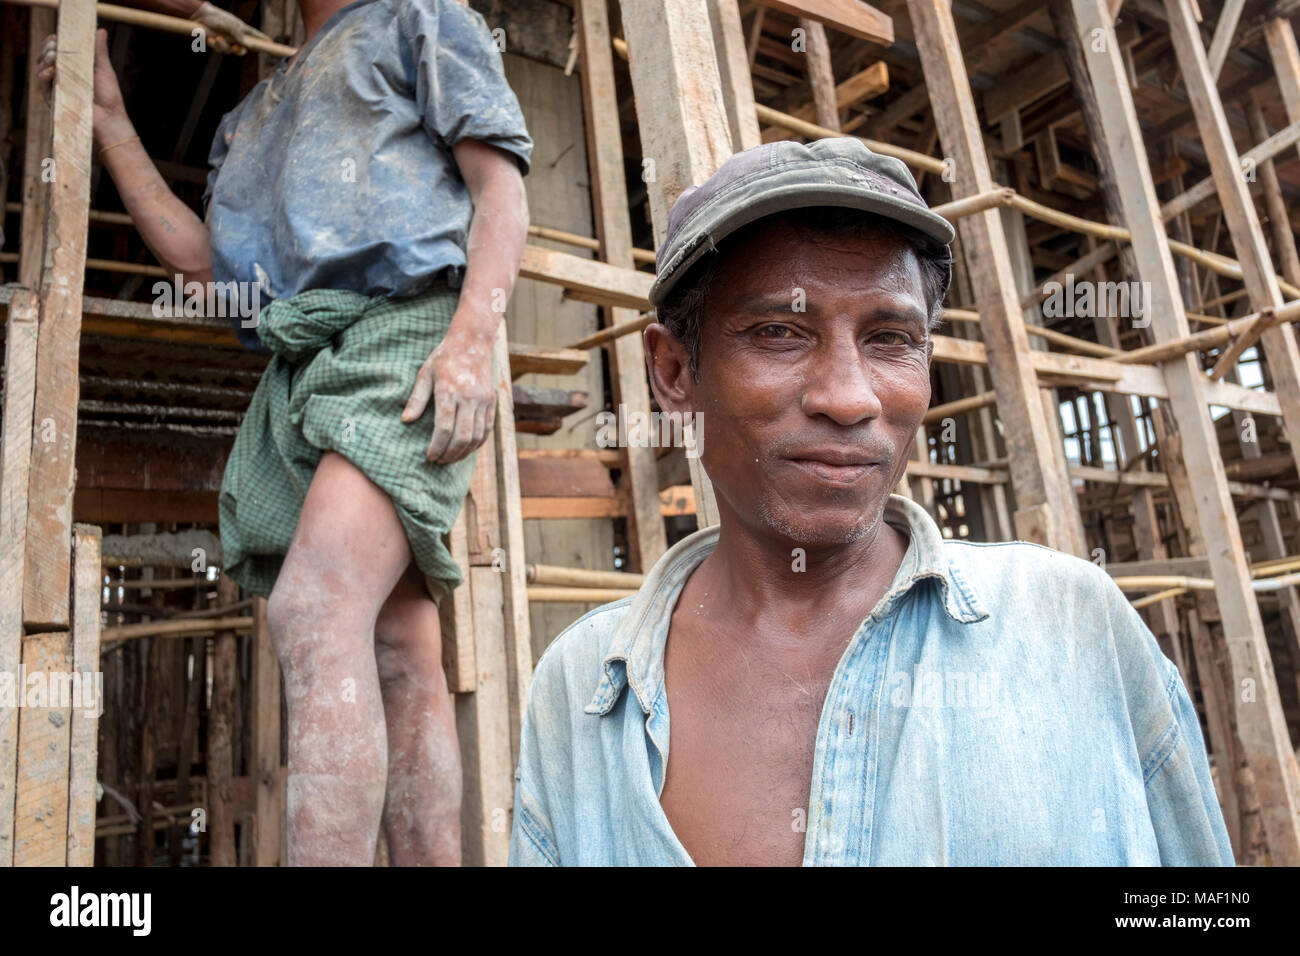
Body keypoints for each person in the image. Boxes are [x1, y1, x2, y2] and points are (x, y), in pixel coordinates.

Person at [507, 137, 1234, 866]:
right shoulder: (580, 694)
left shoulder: (1075, 628)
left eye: (891, 338)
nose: (849, 398)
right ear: (673, 373)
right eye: (780, 333)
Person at [40, 0, 532, 866]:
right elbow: (199, 263)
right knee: (398, 647)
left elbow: (501, 188)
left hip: (404, 331)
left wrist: (469, 343)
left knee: (312, 608)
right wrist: (110, 122)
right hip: (301, 361)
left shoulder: (420, 17)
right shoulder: (251, 113)